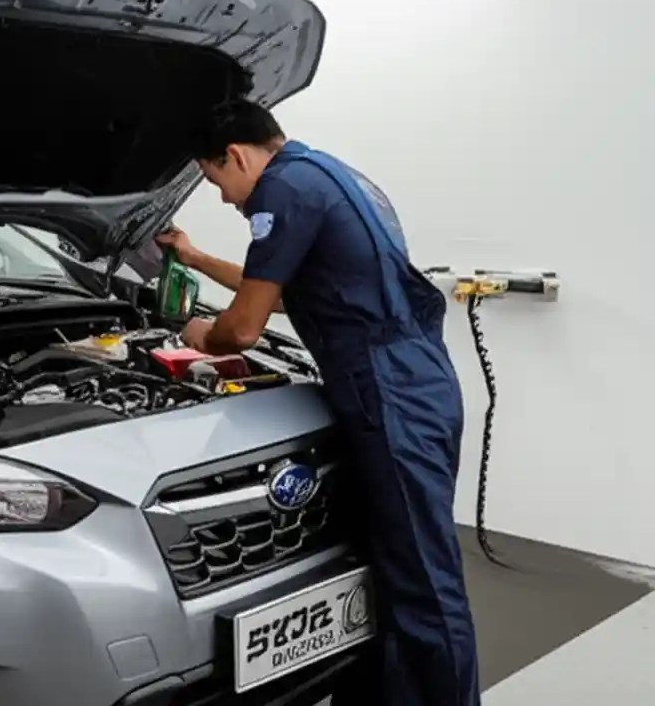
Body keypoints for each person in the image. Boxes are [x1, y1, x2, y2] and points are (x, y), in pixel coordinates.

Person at [158, 99, 480, 706]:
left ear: (235, 155)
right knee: (394, 569)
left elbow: (243, 328)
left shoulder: (282, 192)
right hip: (414, 380)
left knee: (425, 585)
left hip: (389, 393)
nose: (224, 198)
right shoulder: (327, 175)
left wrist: (201, 336)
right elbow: (280, 292)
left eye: (214, 180)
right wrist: (195, 259)